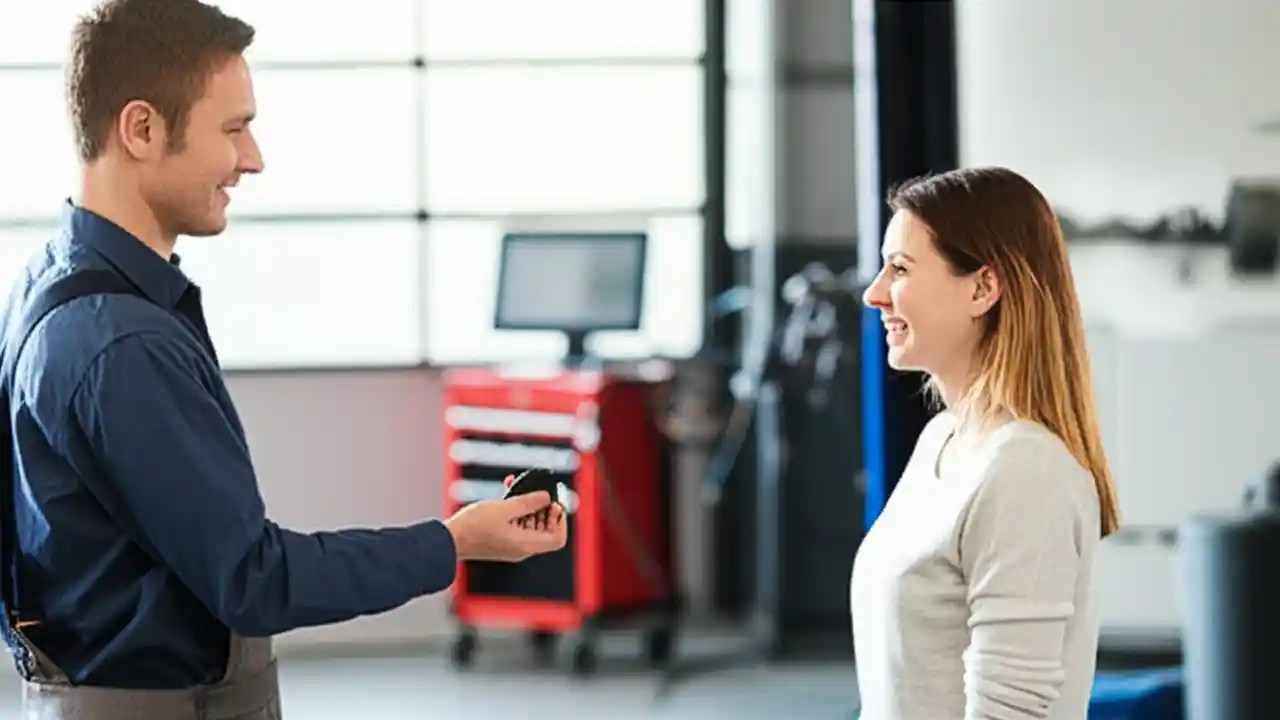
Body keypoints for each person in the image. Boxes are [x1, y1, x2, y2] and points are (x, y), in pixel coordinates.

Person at [0, 0, 566, 716]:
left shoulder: (51, 282)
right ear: (141, 128)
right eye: (233, 128)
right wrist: (454, 542)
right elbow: (253, 580)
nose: (253, 158)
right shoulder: (122, 342)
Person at [850, 166, 1122, 719]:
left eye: (899, 268)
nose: (874, 293)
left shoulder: (1025, 471)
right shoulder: (943, 440)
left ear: (982, 288)